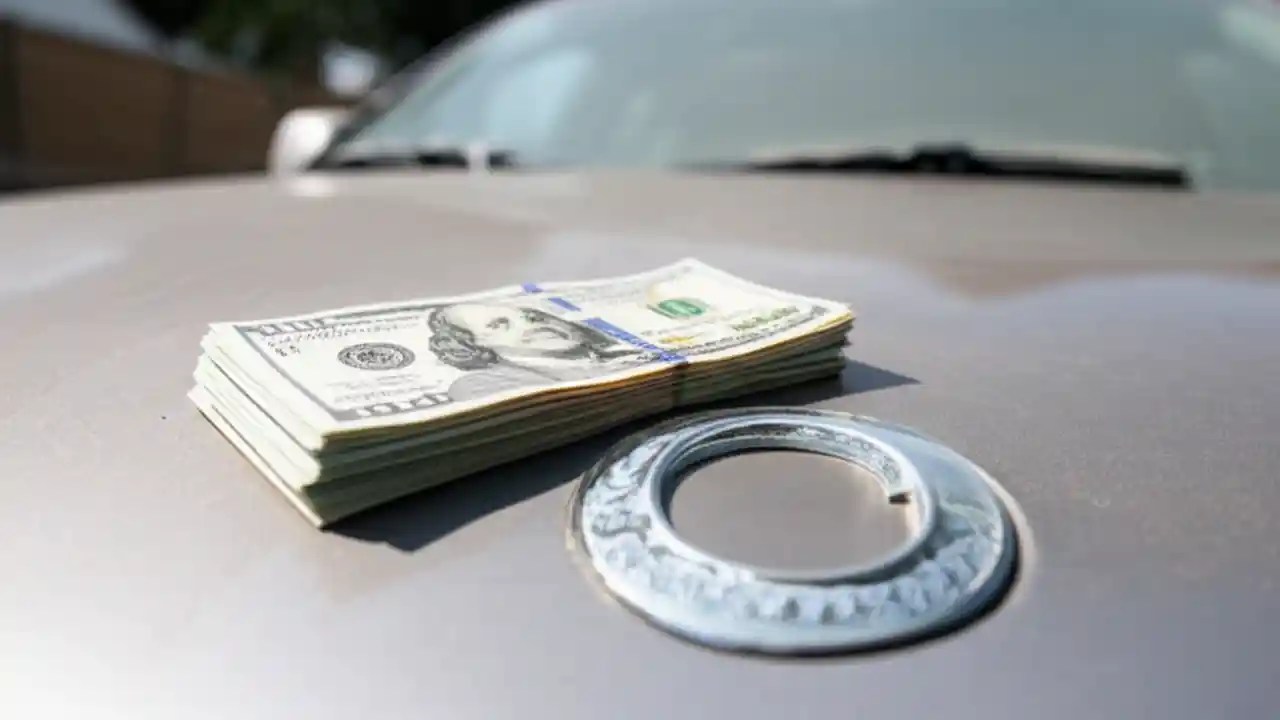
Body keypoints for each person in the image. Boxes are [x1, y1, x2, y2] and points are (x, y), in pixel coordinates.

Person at [425, 303, 652, 401]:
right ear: (472, 345)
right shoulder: (479, 385)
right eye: (498, 324)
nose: (532, 325)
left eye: (532, 316)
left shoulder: (627, 356)